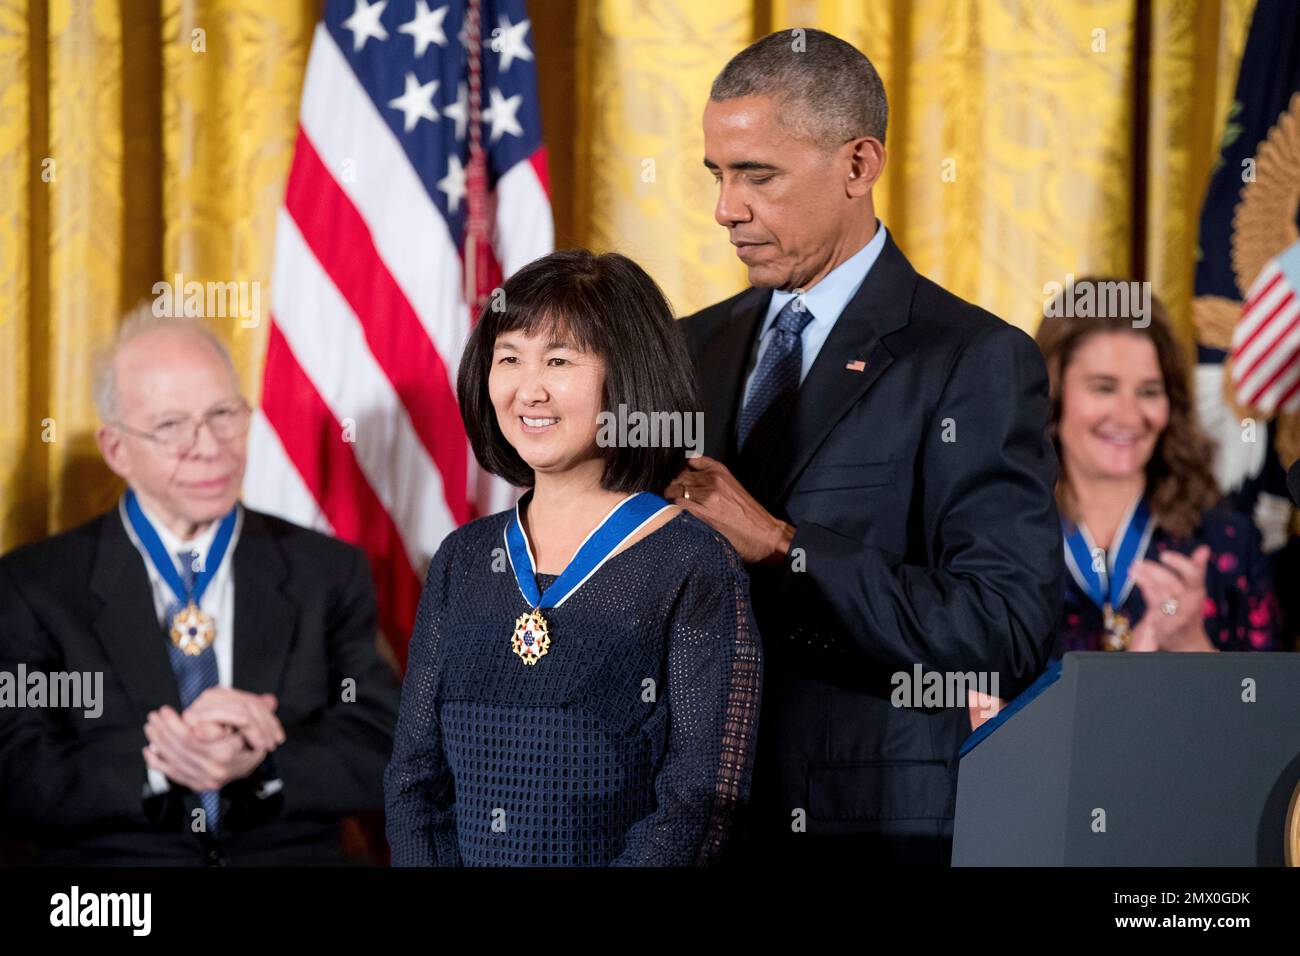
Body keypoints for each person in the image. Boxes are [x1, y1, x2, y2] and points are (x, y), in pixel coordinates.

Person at [671, 29, 1061, 866]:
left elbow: (1005, 627)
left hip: (868, 827)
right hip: (684, 823)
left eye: (758, 176)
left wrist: (785, 548)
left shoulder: (971, 359)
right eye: (718, 175)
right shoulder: (682, 350)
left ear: (858, 165)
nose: (726, 209)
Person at [384, 249, 762, 866]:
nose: (528, 388)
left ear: (628, 375)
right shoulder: (463, 560)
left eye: (559, 361)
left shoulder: (692, 564)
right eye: (509, 358)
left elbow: (698, 802)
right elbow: (414, 783)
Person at [0, 309, 399, 865]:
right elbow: (15, 773)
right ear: (116, 449)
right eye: (170, 426)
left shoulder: (327, 573)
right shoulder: (32, 586)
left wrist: (262, 764)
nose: (208, 446)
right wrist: (161, 763)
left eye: (222, 415)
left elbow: (388, 741)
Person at [1036, 279, 1279, 654]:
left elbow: (1268, 710)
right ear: (1053, 394)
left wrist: (1190, 644)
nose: (1130, 415)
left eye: (1149, 391)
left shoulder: (1230, 544)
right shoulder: (995, 545)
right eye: (1104, 387)